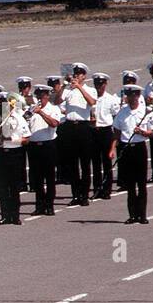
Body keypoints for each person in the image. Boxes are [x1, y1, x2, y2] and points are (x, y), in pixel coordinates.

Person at [113, 84, 153, 224]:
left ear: (138, 95)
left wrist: (143, 132)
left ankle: (142, 215)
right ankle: (132, 215)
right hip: (127, 148)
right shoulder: (122, 112)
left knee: (141, 183)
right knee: (130, 184)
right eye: (129, 95)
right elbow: (117, 132)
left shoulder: (146, 111)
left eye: (134, 95)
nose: (131, 98)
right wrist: (114, 148)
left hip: (139, 148)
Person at [59, 63, 96, 206]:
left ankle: (85, 195)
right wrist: (64, 86)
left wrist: (80, 87)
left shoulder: (89, 89)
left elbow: (92, 102)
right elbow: (57, 101)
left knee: (85, 163)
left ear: (84, 76)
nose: (76, 76)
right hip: (70, 126)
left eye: (79, 74)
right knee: (72, 163)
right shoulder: (69, 90)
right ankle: (75, 195)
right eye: (75, 74)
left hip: (84, 127)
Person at [0, 91, 29, 225]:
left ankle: (15, 216)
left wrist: (12, 139)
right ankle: (5, 215)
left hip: (14, 153)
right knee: (3, 186)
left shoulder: (19, 118)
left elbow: (26, 138)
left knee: (14, 186)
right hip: (1, 153)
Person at [27, 84, 62, 215]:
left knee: (50, 177)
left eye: (42, 97)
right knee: (37, 178)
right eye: (38, 96)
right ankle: (39, 205)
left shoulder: (53, 109)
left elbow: (54, 124)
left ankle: (50, 205)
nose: (40, 99)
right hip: (34, 145)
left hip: (48, 145)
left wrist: (41, 112)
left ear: (47, 96)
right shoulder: (31, 109)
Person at [91, 73, 119, 200]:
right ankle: (97, 188)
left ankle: (107, 189)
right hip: (94, 131)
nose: (98, 87)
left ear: (105, 84)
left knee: (107, 162)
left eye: (101, 84)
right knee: (95, 162)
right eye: (96, 84)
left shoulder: (111, 99)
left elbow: (116, 116)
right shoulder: (91, 98)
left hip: (106, 131)